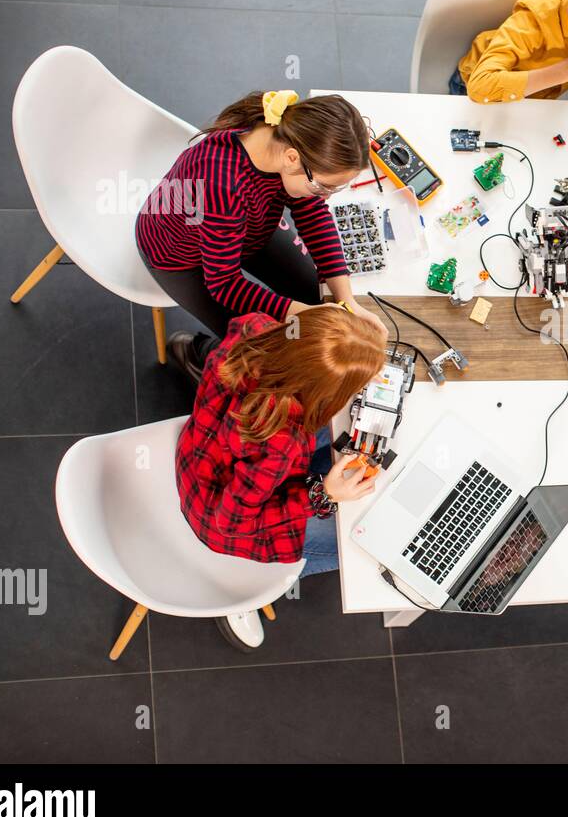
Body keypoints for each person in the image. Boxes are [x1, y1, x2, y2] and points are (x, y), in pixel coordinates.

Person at [136, 89, 388, 385]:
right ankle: (195, 351)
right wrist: (306, 316)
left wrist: (348, 301)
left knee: (311, 291)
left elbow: (312, 212)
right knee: (259, 346)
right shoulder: (224, 185)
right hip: (178, 255)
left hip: (247, 229)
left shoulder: (284, 137)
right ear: (293, 159)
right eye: (325, 187)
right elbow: (225, 285)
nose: (325, 197)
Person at [176, 305, 387, 649]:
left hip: (199, 452)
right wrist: (323, 495)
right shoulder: (278, 445)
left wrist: (350, 355)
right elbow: (231, 523)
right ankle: (248, 589)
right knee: (354, 539)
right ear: (320, 393)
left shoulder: (255, 327)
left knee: (329, 446)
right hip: (215, 517)